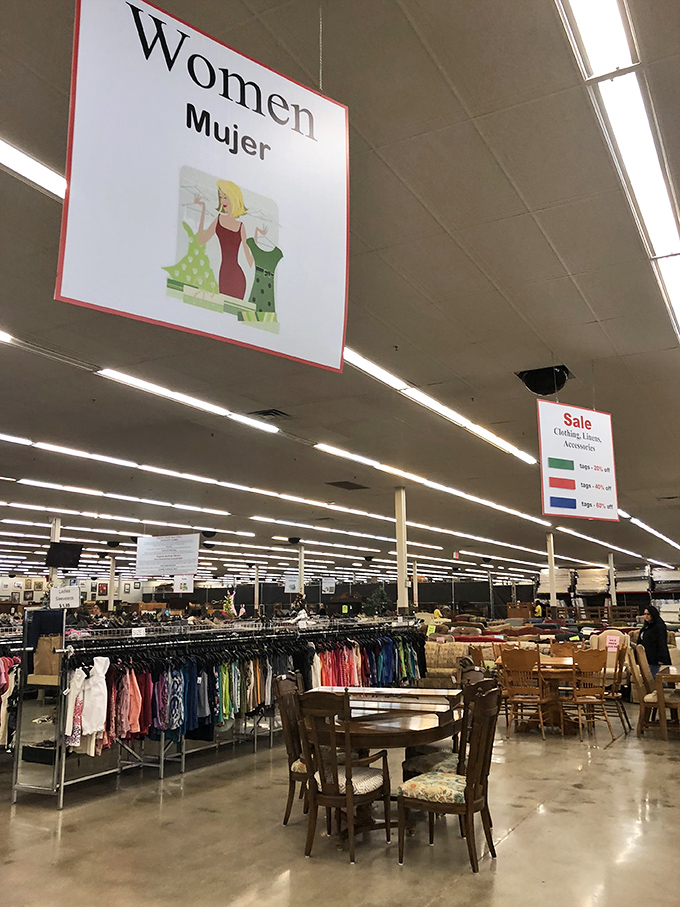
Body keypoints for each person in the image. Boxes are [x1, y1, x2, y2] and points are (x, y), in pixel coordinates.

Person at [194, 180, 253, 299]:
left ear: (233, 198)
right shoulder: (219, 219)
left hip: (238, 277)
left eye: (225, 197)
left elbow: (249, 258)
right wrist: (203, 210)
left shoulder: (241, 226)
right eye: (221, 197)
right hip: (224, 274)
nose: (222, 201)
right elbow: (201, 240)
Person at [638, 605, 671, 677]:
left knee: (653, 678)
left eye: (648, 614)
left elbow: (661, 642)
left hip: (655, 659)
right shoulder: (646, 627)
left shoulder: (659, 626)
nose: (646, 616)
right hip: (647, 658)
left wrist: (661, 658)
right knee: (652, 677)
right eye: (645, 614)